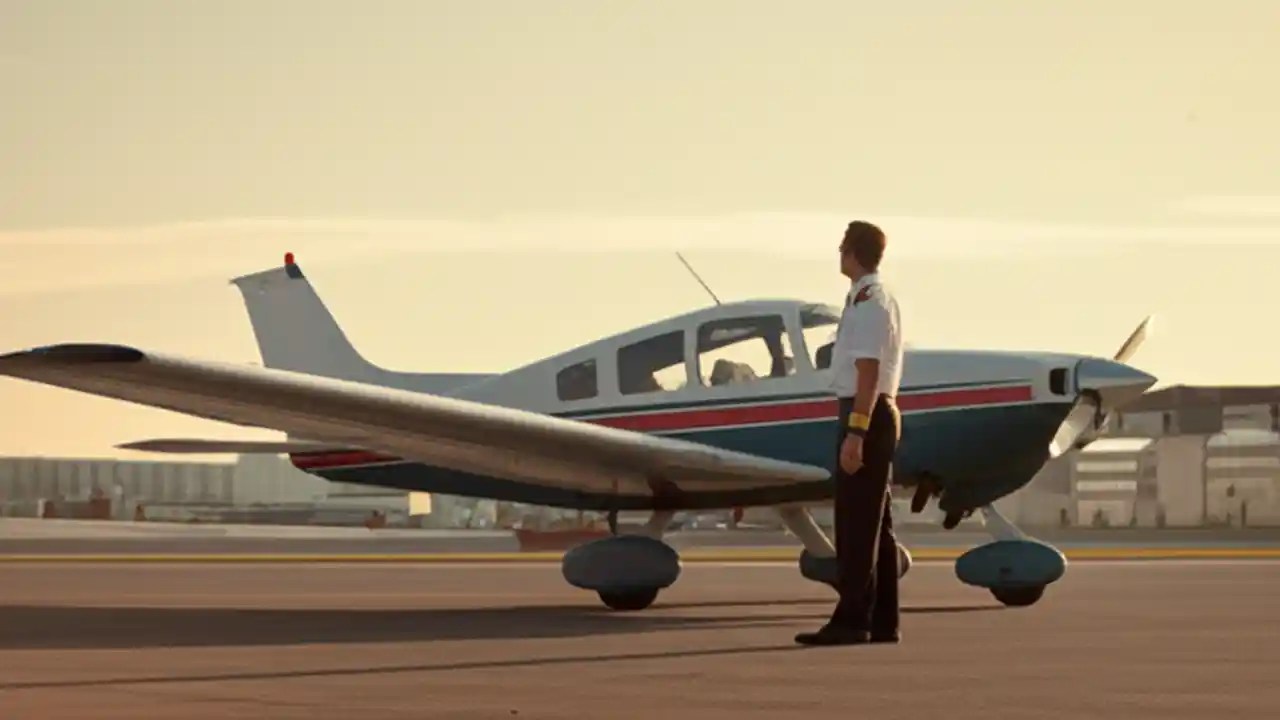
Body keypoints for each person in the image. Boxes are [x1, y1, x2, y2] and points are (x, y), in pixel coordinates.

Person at [795, 220, 905, 647]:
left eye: (842, 247)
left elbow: (868, 371)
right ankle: (882, 620)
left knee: (856, 523)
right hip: (876, 411)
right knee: (878, 525)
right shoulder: (877, 298)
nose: (839, 255)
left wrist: (855, 433)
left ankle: (852, 619)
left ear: (852, 252)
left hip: (865, 412)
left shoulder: (868, 301)